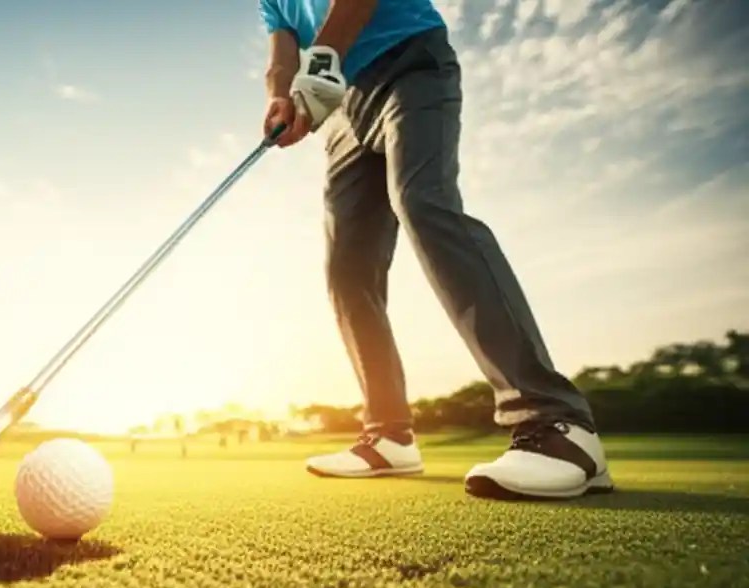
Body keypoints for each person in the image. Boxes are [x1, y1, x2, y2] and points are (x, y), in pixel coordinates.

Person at [258, 0, 611, 500]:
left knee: (423, 204)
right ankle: (389, 437)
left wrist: (318, 69)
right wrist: (280, 96)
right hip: (344, 107)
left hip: (411, 65)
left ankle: (558, 423)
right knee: (346, 269)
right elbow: (280, 57)